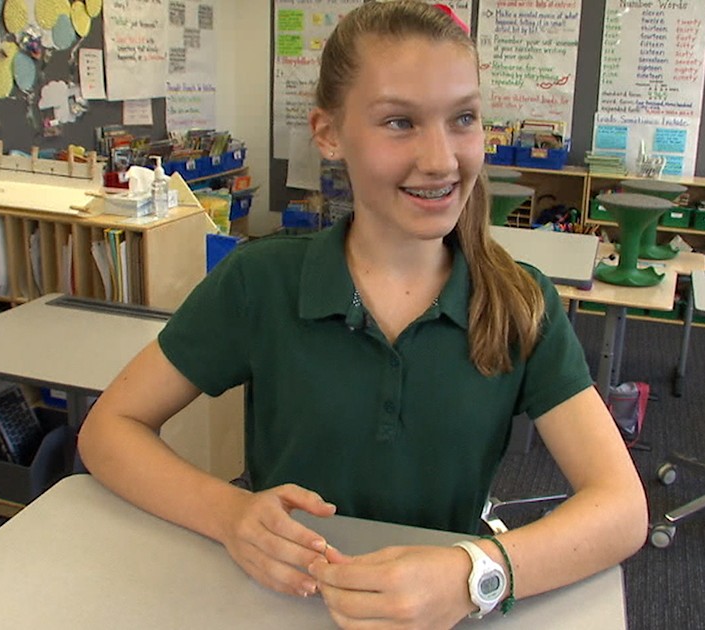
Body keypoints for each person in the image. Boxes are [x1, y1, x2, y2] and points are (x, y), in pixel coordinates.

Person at [78, 2, 646, 627]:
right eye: (399, 122)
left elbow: (621, 508)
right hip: (280, 601)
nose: (441, 159)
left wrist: (477, 573)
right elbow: (109, 429)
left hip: (442, 611)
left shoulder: (517, 303)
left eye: (463, 118)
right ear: (328, 133)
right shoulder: (260, 282)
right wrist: (227, 513)